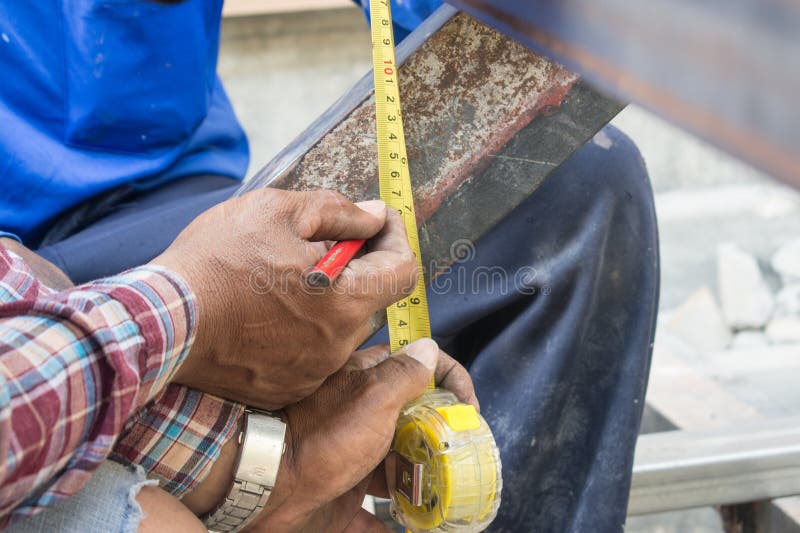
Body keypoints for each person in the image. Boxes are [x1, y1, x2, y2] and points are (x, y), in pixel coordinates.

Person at [0, 1, 659, 532]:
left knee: (581, 185)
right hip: (29, 269)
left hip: (170, 211)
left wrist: (266, 471)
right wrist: (204, 318)